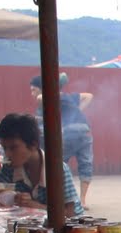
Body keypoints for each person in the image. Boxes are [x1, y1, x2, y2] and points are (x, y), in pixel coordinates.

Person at [0, 112, 83, 216]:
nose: (7, 154)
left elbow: (70, 213)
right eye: (4, 148)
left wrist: (36, 206)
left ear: (33, 144)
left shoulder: (57, 170)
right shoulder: (10, 168)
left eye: (13, 148)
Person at [32, 73, 95, 206]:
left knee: (58, 165)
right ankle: (82, 201)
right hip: (85, 130)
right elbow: (89, 96)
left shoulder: (50, 97)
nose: (32, 93)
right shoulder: (70, 97)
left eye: (33, 89)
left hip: (70, 132)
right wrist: (78, 110)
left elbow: (40, 98)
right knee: (86, 165)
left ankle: (61, 197)